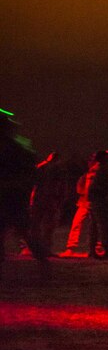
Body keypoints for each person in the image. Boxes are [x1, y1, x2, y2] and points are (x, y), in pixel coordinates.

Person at [0, 111, 49, 280]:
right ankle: (44, 263)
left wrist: (17, 187)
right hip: (12, 198)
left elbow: (30, 174)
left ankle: (44, 263)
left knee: (25, 233)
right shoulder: (18, 149)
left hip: (11, 198)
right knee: (24, 233)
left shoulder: (15, 150)